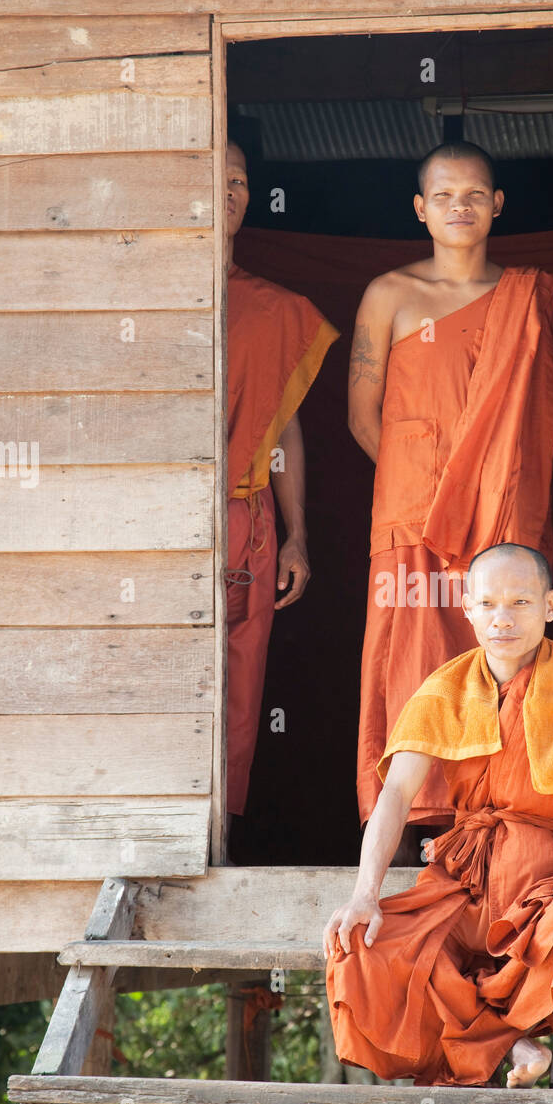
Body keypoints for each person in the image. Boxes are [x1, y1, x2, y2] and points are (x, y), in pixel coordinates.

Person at [324, 543, 553, 1088]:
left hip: (544, 884)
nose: (503, 618)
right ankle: (514, 1043)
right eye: (488, 604)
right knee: (363, 949)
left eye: (520, 602)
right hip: (464, 879)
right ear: (467, 608)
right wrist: (364, 894)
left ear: (551, 606)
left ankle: (505, 1041)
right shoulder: (446, 688)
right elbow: (394, 794)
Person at [349, 141, 553, 846]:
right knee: (415, 657)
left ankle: (496, 814)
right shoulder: (390, 295)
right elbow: (363, 416)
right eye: (443, 196)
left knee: (501, 651)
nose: (460, 206)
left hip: (502, 525)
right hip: (410, 518)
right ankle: (417, 822)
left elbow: (538, 416)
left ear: (497, 204)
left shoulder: (526, 300)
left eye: (475, 193)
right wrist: (429, 489)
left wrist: (483, 493)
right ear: (420, 208)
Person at [226, 140, 339, 848]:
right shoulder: (141, 295)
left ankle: (220, 835)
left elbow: (284, 428)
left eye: (240, 178)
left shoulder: (272, 310)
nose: (231, 188)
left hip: (249, 521)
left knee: (240, 688)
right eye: (217, 174)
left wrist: (296, 533)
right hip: (166, 523)